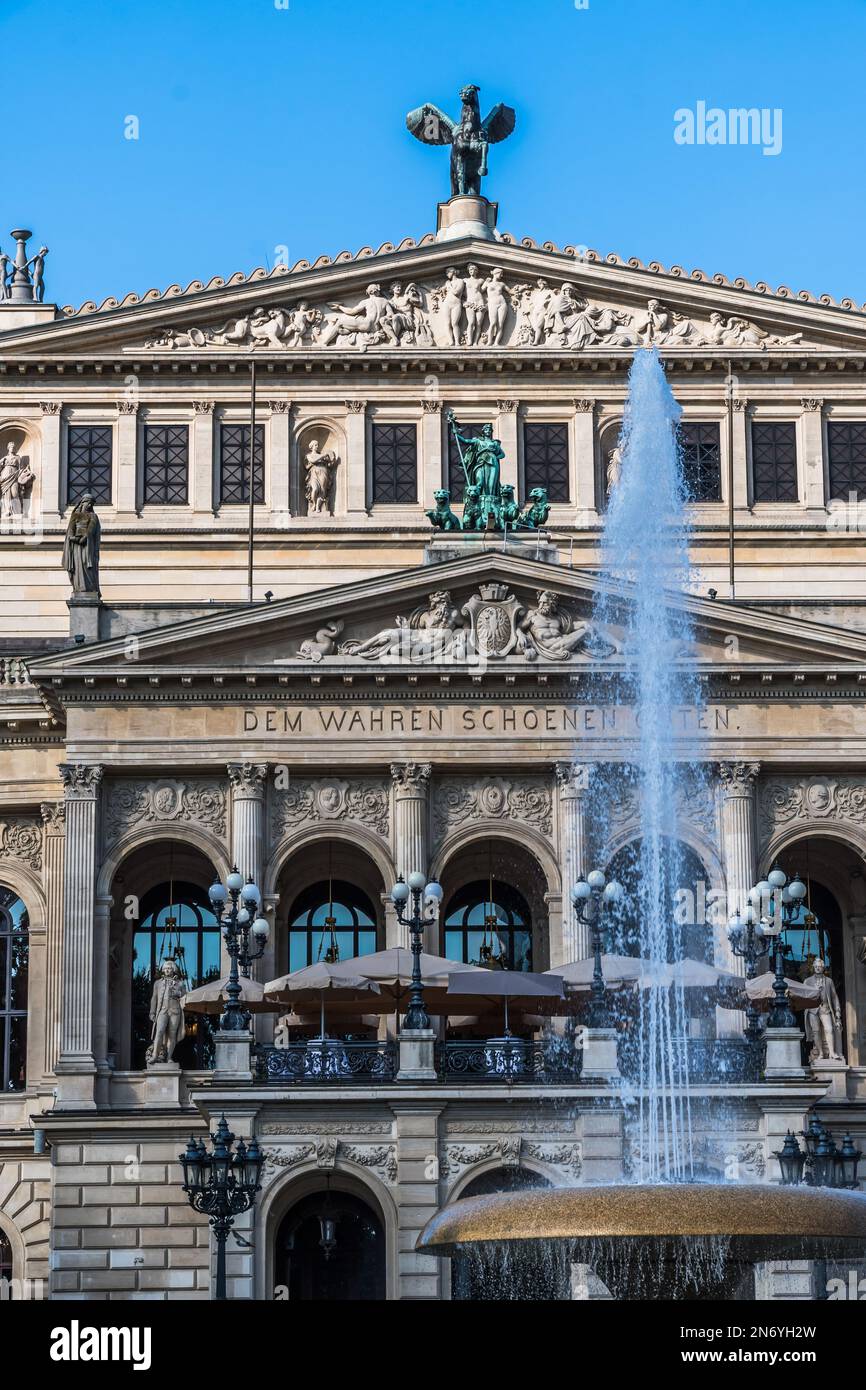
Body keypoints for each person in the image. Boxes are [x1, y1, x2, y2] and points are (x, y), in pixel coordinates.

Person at [147, 959, 186, 1064]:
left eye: (169, 968)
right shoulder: (158, 983)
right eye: (166, 969)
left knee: (172, 1035)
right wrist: (152, 1012)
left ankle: (169, 1057)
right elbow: (154, 998)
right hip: (162, 1011)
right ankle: (155, 1055)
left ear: (173, 970)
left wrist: (178, 992)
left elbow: (185, 997)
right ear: (163, 970)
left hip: (175, 1011)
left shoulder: (180, 983)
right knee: (159, 1032)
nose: (168, 970)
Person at [62, 493, 101, 594]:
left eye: (91, 504)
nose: (90, 506)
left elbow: (91, 529)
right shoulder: (75, 515)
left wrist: (85, 537)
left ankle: (88, 587)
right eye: (88, 503)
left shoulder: (93, 516)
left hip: (87, 544)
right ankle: (80, 586)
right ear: (83, 503)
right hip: (76, 544)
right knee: (78, 564)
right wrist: (73, 538)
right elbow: (71, 528)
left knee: (86, 563)